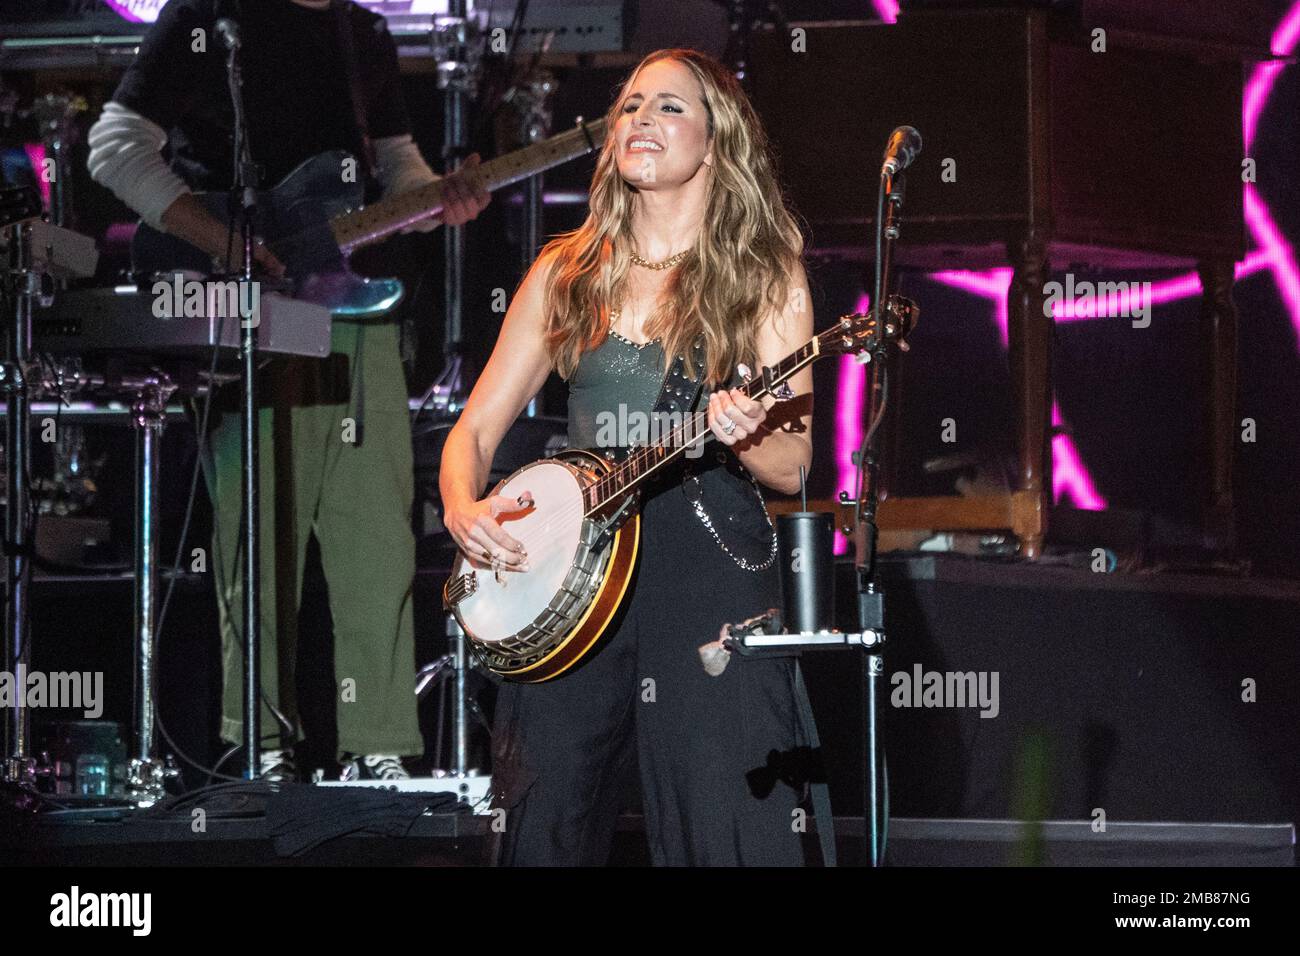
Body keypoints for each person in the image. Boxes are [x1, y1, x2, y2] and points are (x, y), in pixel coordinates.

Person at [86, 0, 490, 782]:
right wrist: (220, 241)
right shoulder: (210, 14)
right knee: (256, 540)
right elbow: (112, 144)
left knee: (377, 539)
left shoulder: (363, 33)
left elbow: (399, 178)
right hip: (248, 316)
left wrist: (442, 198)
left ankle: (379, 747)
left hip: (357, 306)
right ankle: (263, 746)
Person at [439, 48, 819, 865]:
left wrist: (745, 429)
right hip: (572, 578)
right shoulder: (565, 271)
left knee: (729, 821)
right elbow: (472, 433)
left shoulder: (763, 272)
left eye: (670, 107)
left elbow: (795, 465)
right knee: (545, 823)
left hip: (708, 564)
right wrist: (463, 508)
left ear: (717, 144)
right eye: (631, 105)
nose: (642, 118)